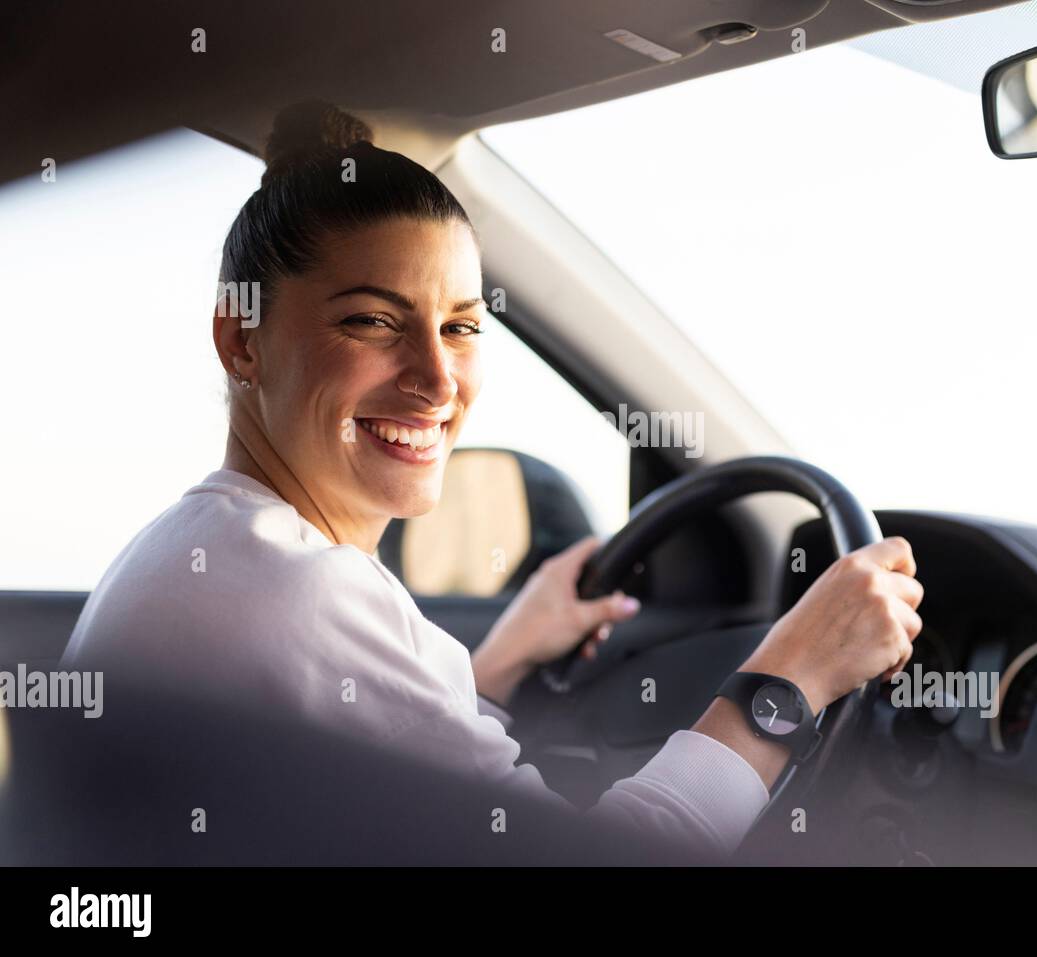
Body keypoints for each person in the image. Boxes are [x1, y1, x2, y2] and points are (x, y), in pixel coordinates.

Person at [62, 101, 923, 858]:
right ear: (241, 339)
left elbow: (375, 744)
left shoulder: (203, 548)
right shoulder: (300, 591)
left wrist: (501, 656)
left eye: (462, 326)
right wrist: (794, 674)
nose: (438, 381)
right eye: (372, 321)